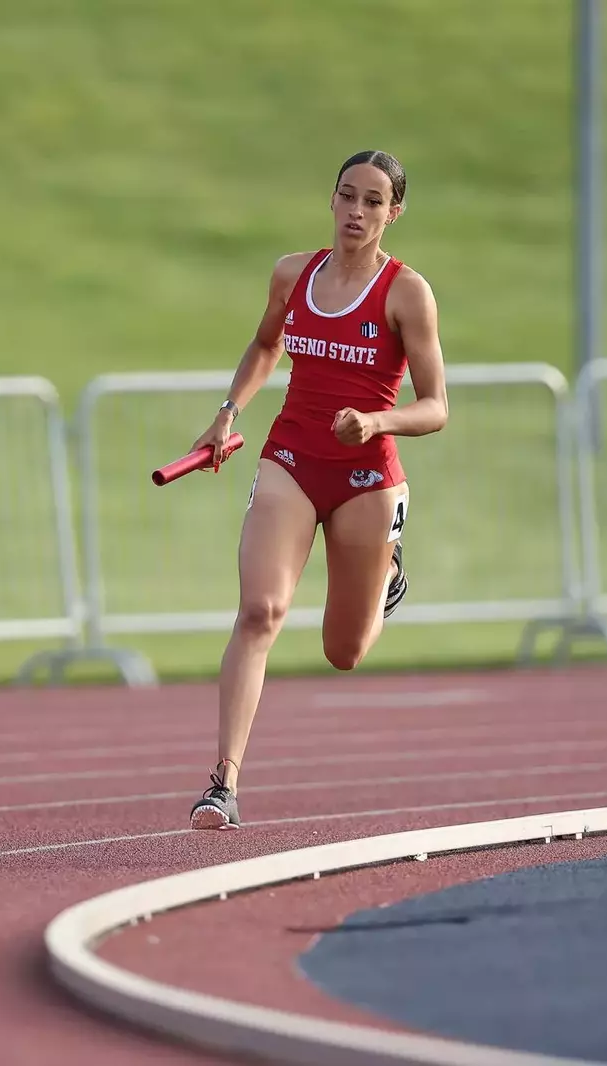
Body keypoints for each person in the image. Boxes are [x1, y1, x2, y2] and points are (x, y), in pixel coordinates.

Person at [184, 150, 449, 829]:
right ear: (331, 200)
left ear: (394, 213)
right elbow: (267, 346)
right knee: (259, 612)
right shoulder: (292, 274)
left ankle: (387, 568)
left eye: (372, 201)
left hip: (366, 477)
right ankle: (223, 784)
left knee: (344, 652)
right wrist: (227, 413)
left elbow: (436, 406)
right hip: (292, 459)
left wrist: (377, 420)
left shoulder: (406, 292)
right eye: (346, 196)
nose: (356, 212)